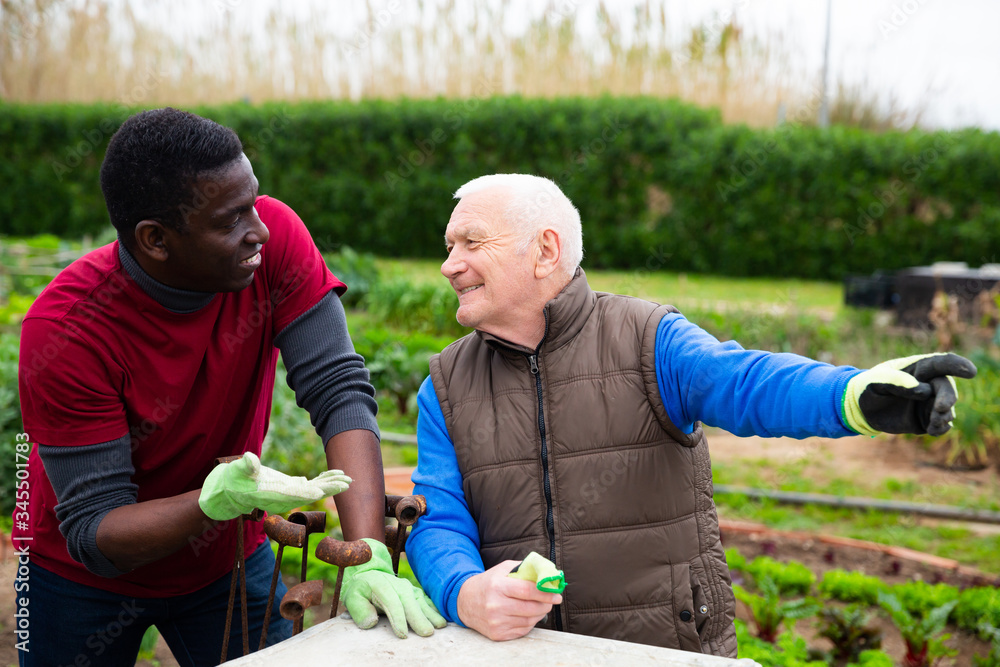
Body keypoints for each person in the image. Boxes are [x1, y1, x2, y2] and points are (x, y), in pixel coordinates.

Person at [404, 173, 977, 656]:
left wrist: (853, 396)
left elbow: (746, 382)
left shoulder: (646, 340)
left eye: (472, 243)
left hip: (665, 651)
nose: (449, 265)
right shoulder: (446, 385)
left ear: (545, 251)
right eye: (448, 246)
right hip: (524, 656)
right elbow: (438, 517)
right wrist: (464, 591)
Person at [14, 108, 441, 667]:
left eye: (254, 203)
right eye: (230, 219)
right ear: (156, 240)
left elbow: (337, 388)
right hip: (75, 583)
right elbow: (97, 534)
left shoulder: (273, 241)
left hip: (225, 562)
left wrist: (367, 556)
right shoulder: (68, 330)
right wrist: (211, 502)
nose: (258, 230)